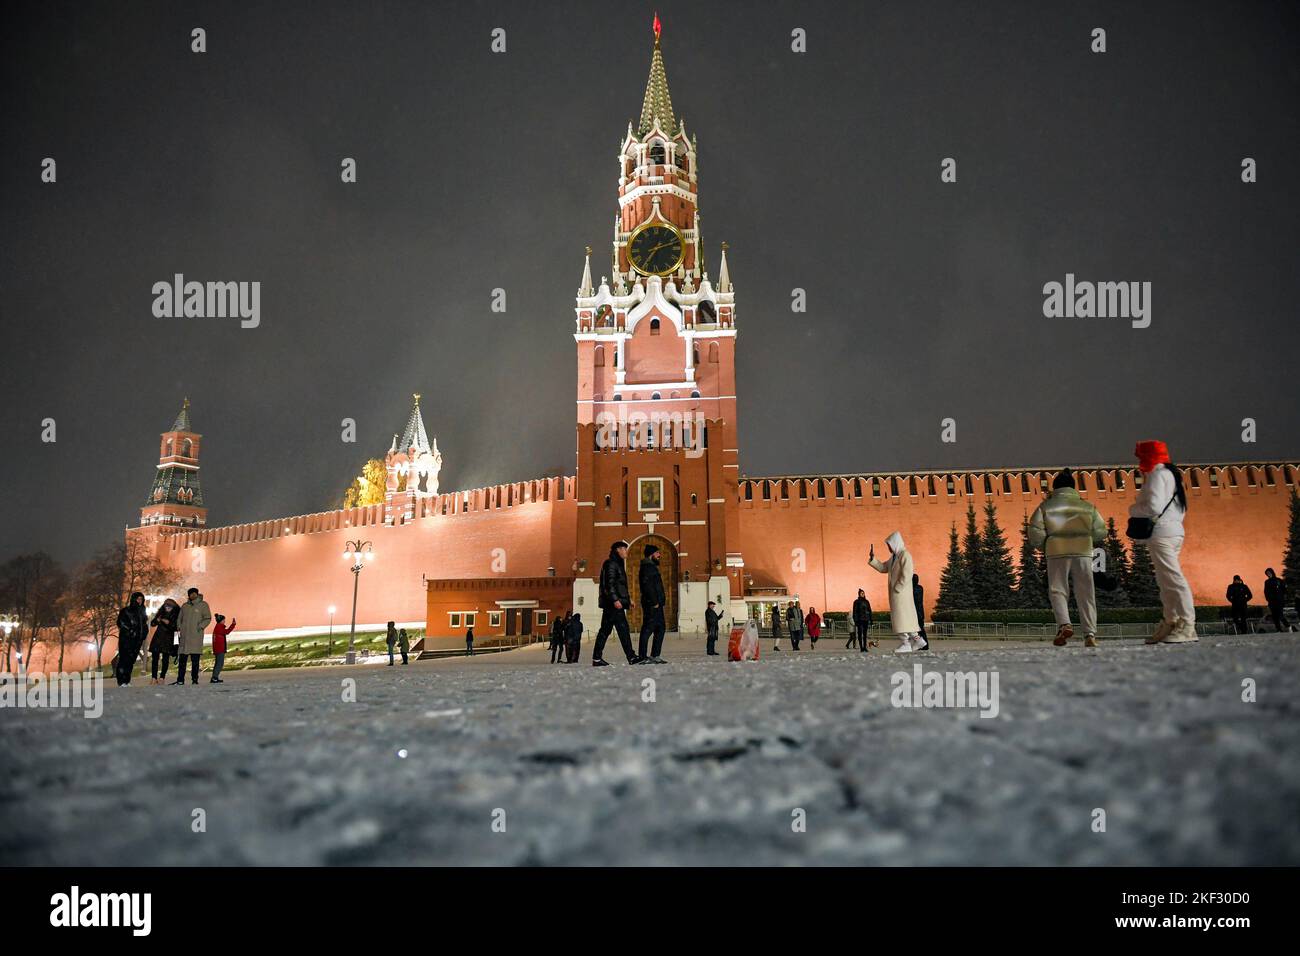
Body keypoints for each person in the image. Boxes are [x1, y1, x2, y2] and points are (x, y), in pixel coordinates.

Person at [1029, 468, 1107, 648]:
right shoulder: (1088, 507)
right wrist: (1086, 539)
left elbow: (1035, 531)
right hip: (1083, 553)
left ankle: (1064, 624)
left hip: (1057, 552)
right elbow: (1101, 532)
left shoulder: (1045, 506)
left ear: (1055, 488)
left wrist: (1045, 545)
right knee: (1086, 592)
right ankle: (1090, 634)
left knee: (1058, 590)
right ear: (1073, 488)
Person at [1129, 440, 1196, 644]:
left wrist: (1133, 510)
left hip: (1162, 534)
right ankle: (1171, 622)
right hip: (1173, 531)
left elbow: (1154, 507)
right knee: (1165, 580)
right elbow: (1181, 509)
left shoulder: (1158, 474)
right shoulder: (1172, 475)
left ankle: (1187, 624)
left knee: (1173, 579)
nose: (1140, 461)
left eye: (1141, 457)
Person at [869, 532, 926, 653]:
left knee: (901, 618)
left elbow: (907, 574)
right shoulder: (895, 557)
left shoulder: (905, 555)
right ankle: (918, 640)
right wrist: (873, 559)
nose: (888, 548)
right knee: (905, 618)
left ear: (895, 544)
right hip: (898, 594)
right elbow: (884, 567)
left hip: (901, 593)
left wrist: (897, 588)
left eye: (889, 545)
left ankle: (906, 643)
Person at [592, 540, 640, 666]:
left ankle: (597, 658)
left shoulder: (617, 564)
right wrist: (615, 600)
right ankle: (631, 657)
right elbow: (609, 584)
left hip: (612, 604)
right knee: (623, 630)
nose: (626, 551)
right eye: (624, 549)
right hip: (612, 604)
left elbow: (620, 586)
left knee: (605, 630)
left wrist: (628, 599)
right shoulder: (611, 564)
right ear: (617, 550)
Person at [638, 543, 668, 664]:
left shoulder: (651, 566)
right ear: (651, 554)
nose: (659, 555)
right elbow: (647, 586)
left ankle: (655, 655)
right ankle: (642, 656)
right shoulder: (647, 567)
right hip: (652, 604)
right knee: (648, 629)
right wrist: (654, 601)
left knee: (660, 628)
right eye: (657, 553)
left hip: (657, 604)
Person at [175, 587, 211, 685]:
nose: (192, 595)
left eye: (194, 593)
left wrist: (200, 627)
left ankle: (194, 680)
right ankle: (180, 679)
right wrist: (179, 627)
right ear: (189, 595)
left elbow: (207, 618)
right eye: (191, 594)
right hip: (185, 638)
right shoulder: (185, 606)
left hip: (196, 637)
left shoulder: (203, 605)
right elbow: (179, 618)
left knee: (195, 662)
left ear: (197, 594)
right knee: (182, 661)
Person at [114, 591, 149, 686]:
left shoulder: (142, 612)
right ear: (134, 599)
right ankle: (121, 681)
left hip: (137, 641)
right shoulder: (126, 611)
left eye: (141, 599)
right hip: (126, 640)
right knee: (124, 660)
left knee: (131, 661)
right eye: (138, 599)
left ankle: (127, 680)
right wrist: (130, 631)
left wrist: (144, 634)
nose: (140, 601)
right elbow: (121, 623)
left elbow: (144, 625)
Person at [148, 597, 180, 685]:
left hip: (168, 639)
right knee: (155, 659)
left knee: (165, 659)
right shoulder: (160, 613)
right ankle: (154, 677)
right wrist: (157, 620)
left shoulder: (176, 615)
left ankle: (162, 677)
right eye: (166, 606)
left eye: (170, 606)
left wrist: (169, 623)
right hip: (158, 638)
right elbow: (152, 623)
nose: (168, 608)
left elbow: (176, 628)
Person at [210, 613, 236, 683]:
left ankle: (215, 677)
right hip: (219, 649)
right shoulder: (219, 627)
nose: (224, 621)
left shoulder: (218, 627)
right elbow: (227, 632)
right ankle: (214, 677)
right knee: (219, 664)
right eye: (224, 620)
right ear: (221, 621)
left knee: (218, 663)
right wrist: (233, 625)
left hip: (218, 648)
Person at [1264, 568, 1288, 633]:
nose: (1268, 574)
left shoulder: (1279, 580)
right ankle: (1279, 629)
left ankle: (1288, 626)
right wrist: (1268, 599)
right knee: (1275, 616)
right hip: (1272, 602)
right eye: (1267, 573)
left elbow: (1284, 590)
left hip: (1279, 601)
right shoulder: (1267, 582)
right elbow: (1266, 592)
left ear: (1272, 572)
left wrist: (1283, 598)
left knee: (1280, 615)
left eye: (1269, 573)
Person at [912, 575, 927, 644]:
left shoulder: (915, 589)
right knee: (919, 629)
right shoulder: (920, 588)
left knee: (919, 630)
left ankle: (923, 644)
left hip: (917, 613)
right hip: (920, 612)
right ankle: (922, 644)